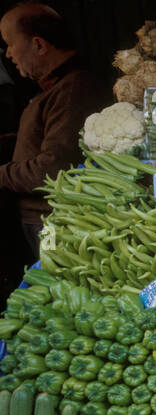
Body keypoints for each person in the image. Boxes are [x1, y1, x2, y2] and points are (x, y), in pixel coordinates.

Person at [0, 2, 101, 263]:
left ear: (39, 45)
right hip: (41, 219)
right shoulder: (54, 88)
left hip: (51, 220)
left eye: (10, 43)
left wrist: (1, 173)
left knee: (56, 284)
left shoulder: (74, 89)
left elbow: (53, 169)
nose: (8, 54)